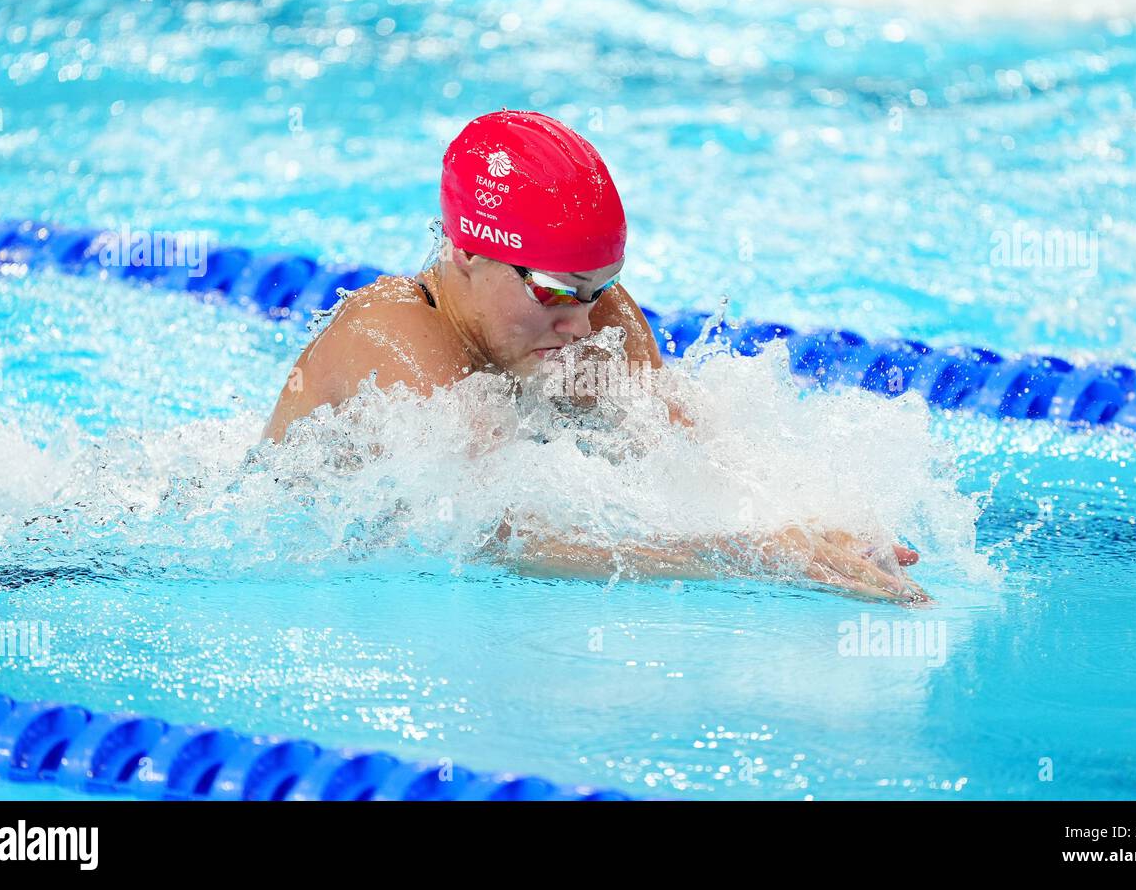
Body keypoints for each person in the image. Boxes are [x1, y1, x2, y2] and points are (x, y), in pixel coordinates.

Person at [263, 109, 926, 602]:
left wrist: (812, 530)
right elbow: (491, 533)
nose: (581, 324)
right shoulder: (397, 337)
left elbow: (690, 454)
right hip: (305, 569)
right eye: (553, 292)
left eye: (598, 289)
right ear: (466, 252)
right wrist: (748, 553)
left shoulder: (590, 316)